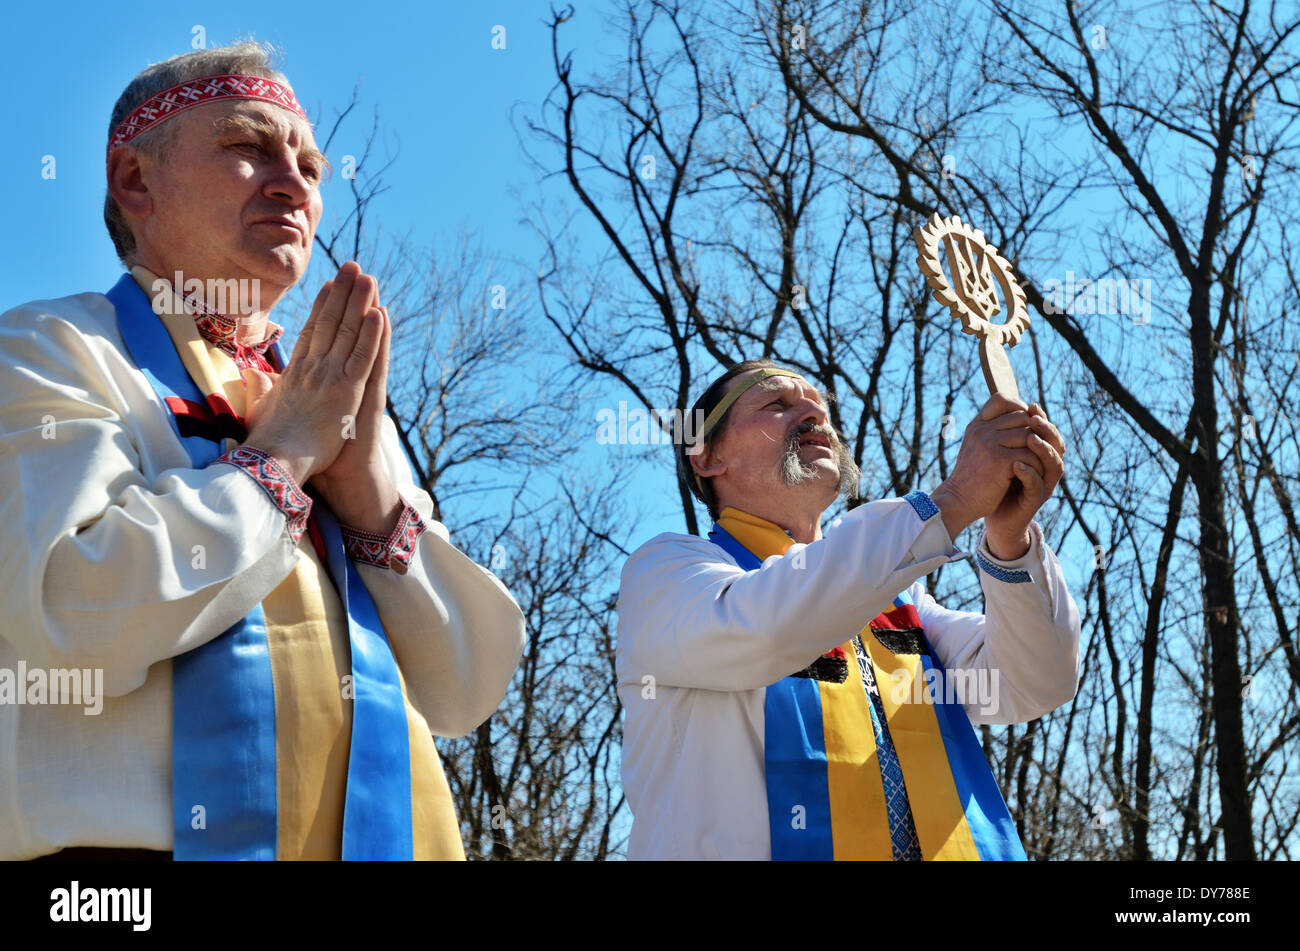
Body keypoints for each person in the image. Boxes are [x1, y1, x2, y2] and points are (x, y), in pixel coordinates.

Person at [0, 43, 526, 860]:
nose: (293, 183)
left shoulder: (327, 398)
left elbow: (466, 687)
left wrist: (372, 503)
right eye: (247, 148)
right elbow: (72, 606)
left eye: (310, 166)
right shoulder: (47, 347)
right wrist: (279, 462)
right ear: (135, 181)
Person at [616, 359, 1082, 860]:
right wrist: (956, 498)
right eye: (777, 402)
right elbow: (769, 628)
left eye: (821, 405)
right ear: (707, 457)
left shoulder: (897, 601)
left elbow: (1034, 682)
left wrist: (1010, 541)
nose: (815, 412)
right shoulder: (667, 573)